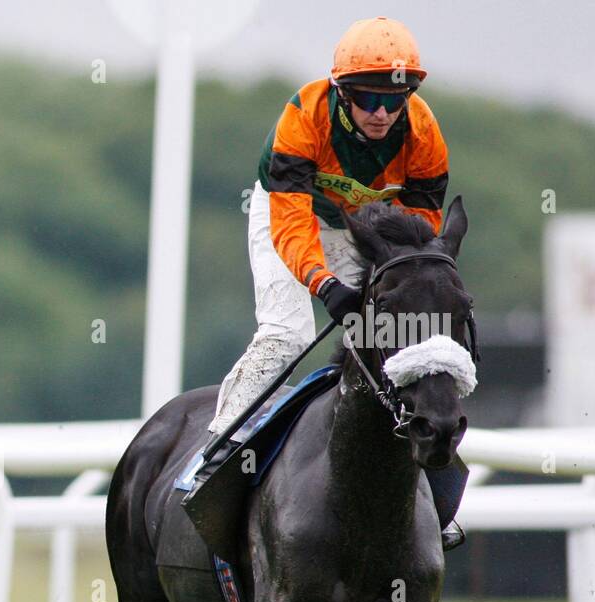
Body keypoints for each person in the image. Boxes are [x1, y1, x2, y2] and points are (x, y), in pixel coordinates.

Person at [183, 16, 465, 550]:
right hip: (289, 216)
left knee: (406, 335)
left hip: (365, 227)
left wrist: (394, 294)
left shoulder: (424, 133)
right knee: (287, 334)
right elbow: (291, 226)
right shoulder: (301, 118)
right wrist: (326, 286)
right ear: (342, 93)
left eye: (395, 98)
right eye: (367, 99)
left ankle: (429, 479)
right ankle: (217, 456)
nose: (382, 112)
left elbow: (420, 234)